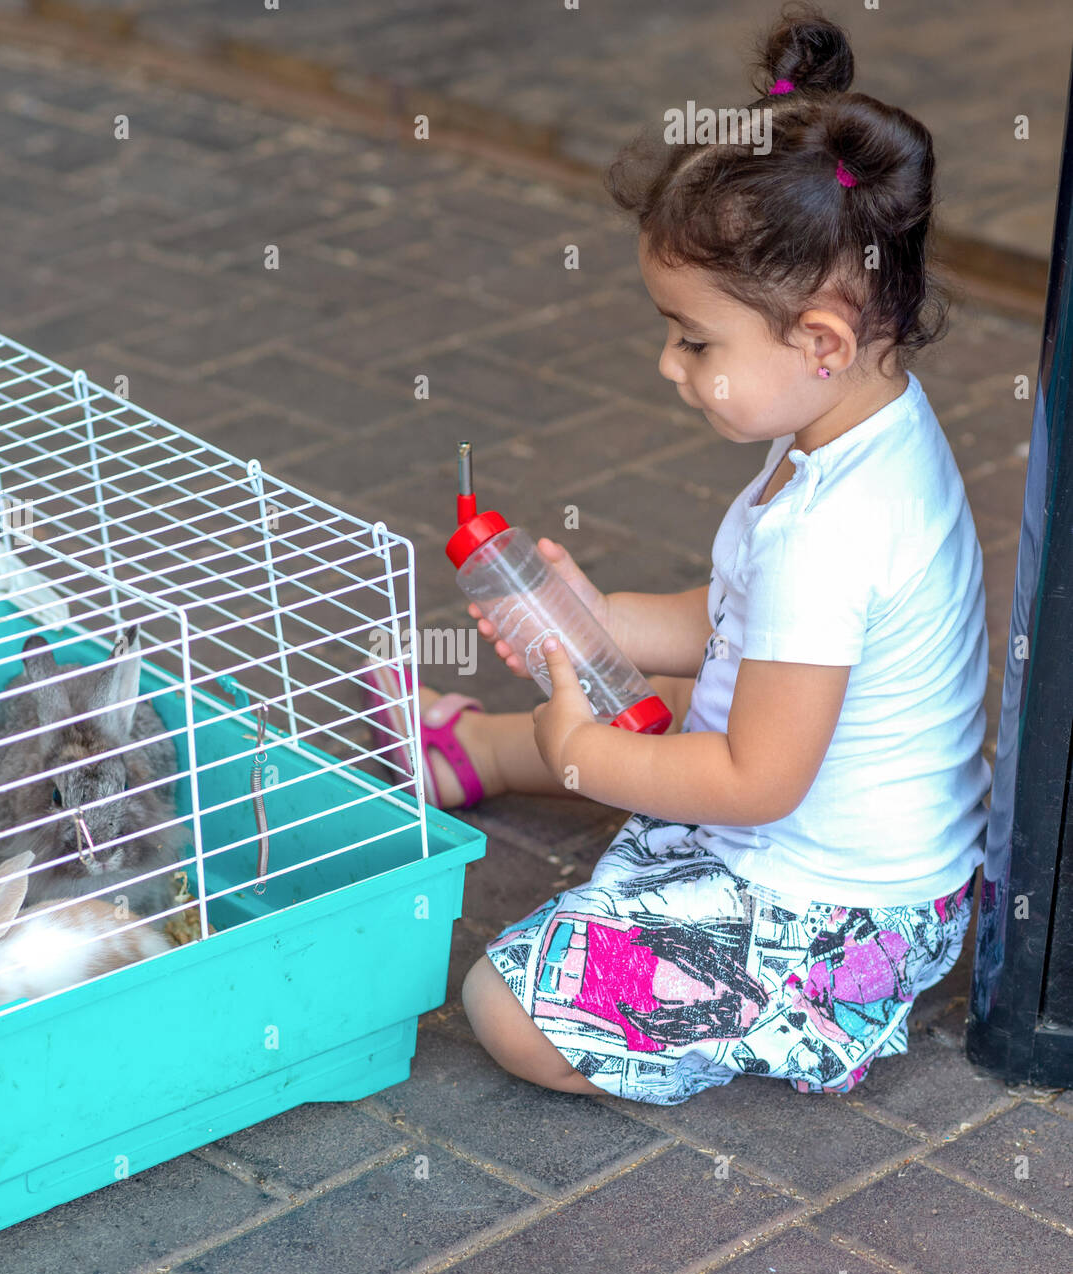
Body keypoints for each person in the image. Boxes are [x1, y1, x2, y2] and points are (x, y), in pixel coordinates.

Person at [364, 5, 990, 1104]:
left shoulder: (829, 529)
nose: (668, 363)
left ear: (821, 343)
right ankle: (493, 753)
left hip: (834, 912)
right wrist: (596, 613)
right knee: (641, 687)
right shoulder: (865, 428)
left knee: (504, 1013)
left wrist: (584, 764)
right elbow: (733, 618)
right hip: (862, 852)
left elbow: (754, 778)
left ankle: (783, 1009)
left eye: (693, 339)